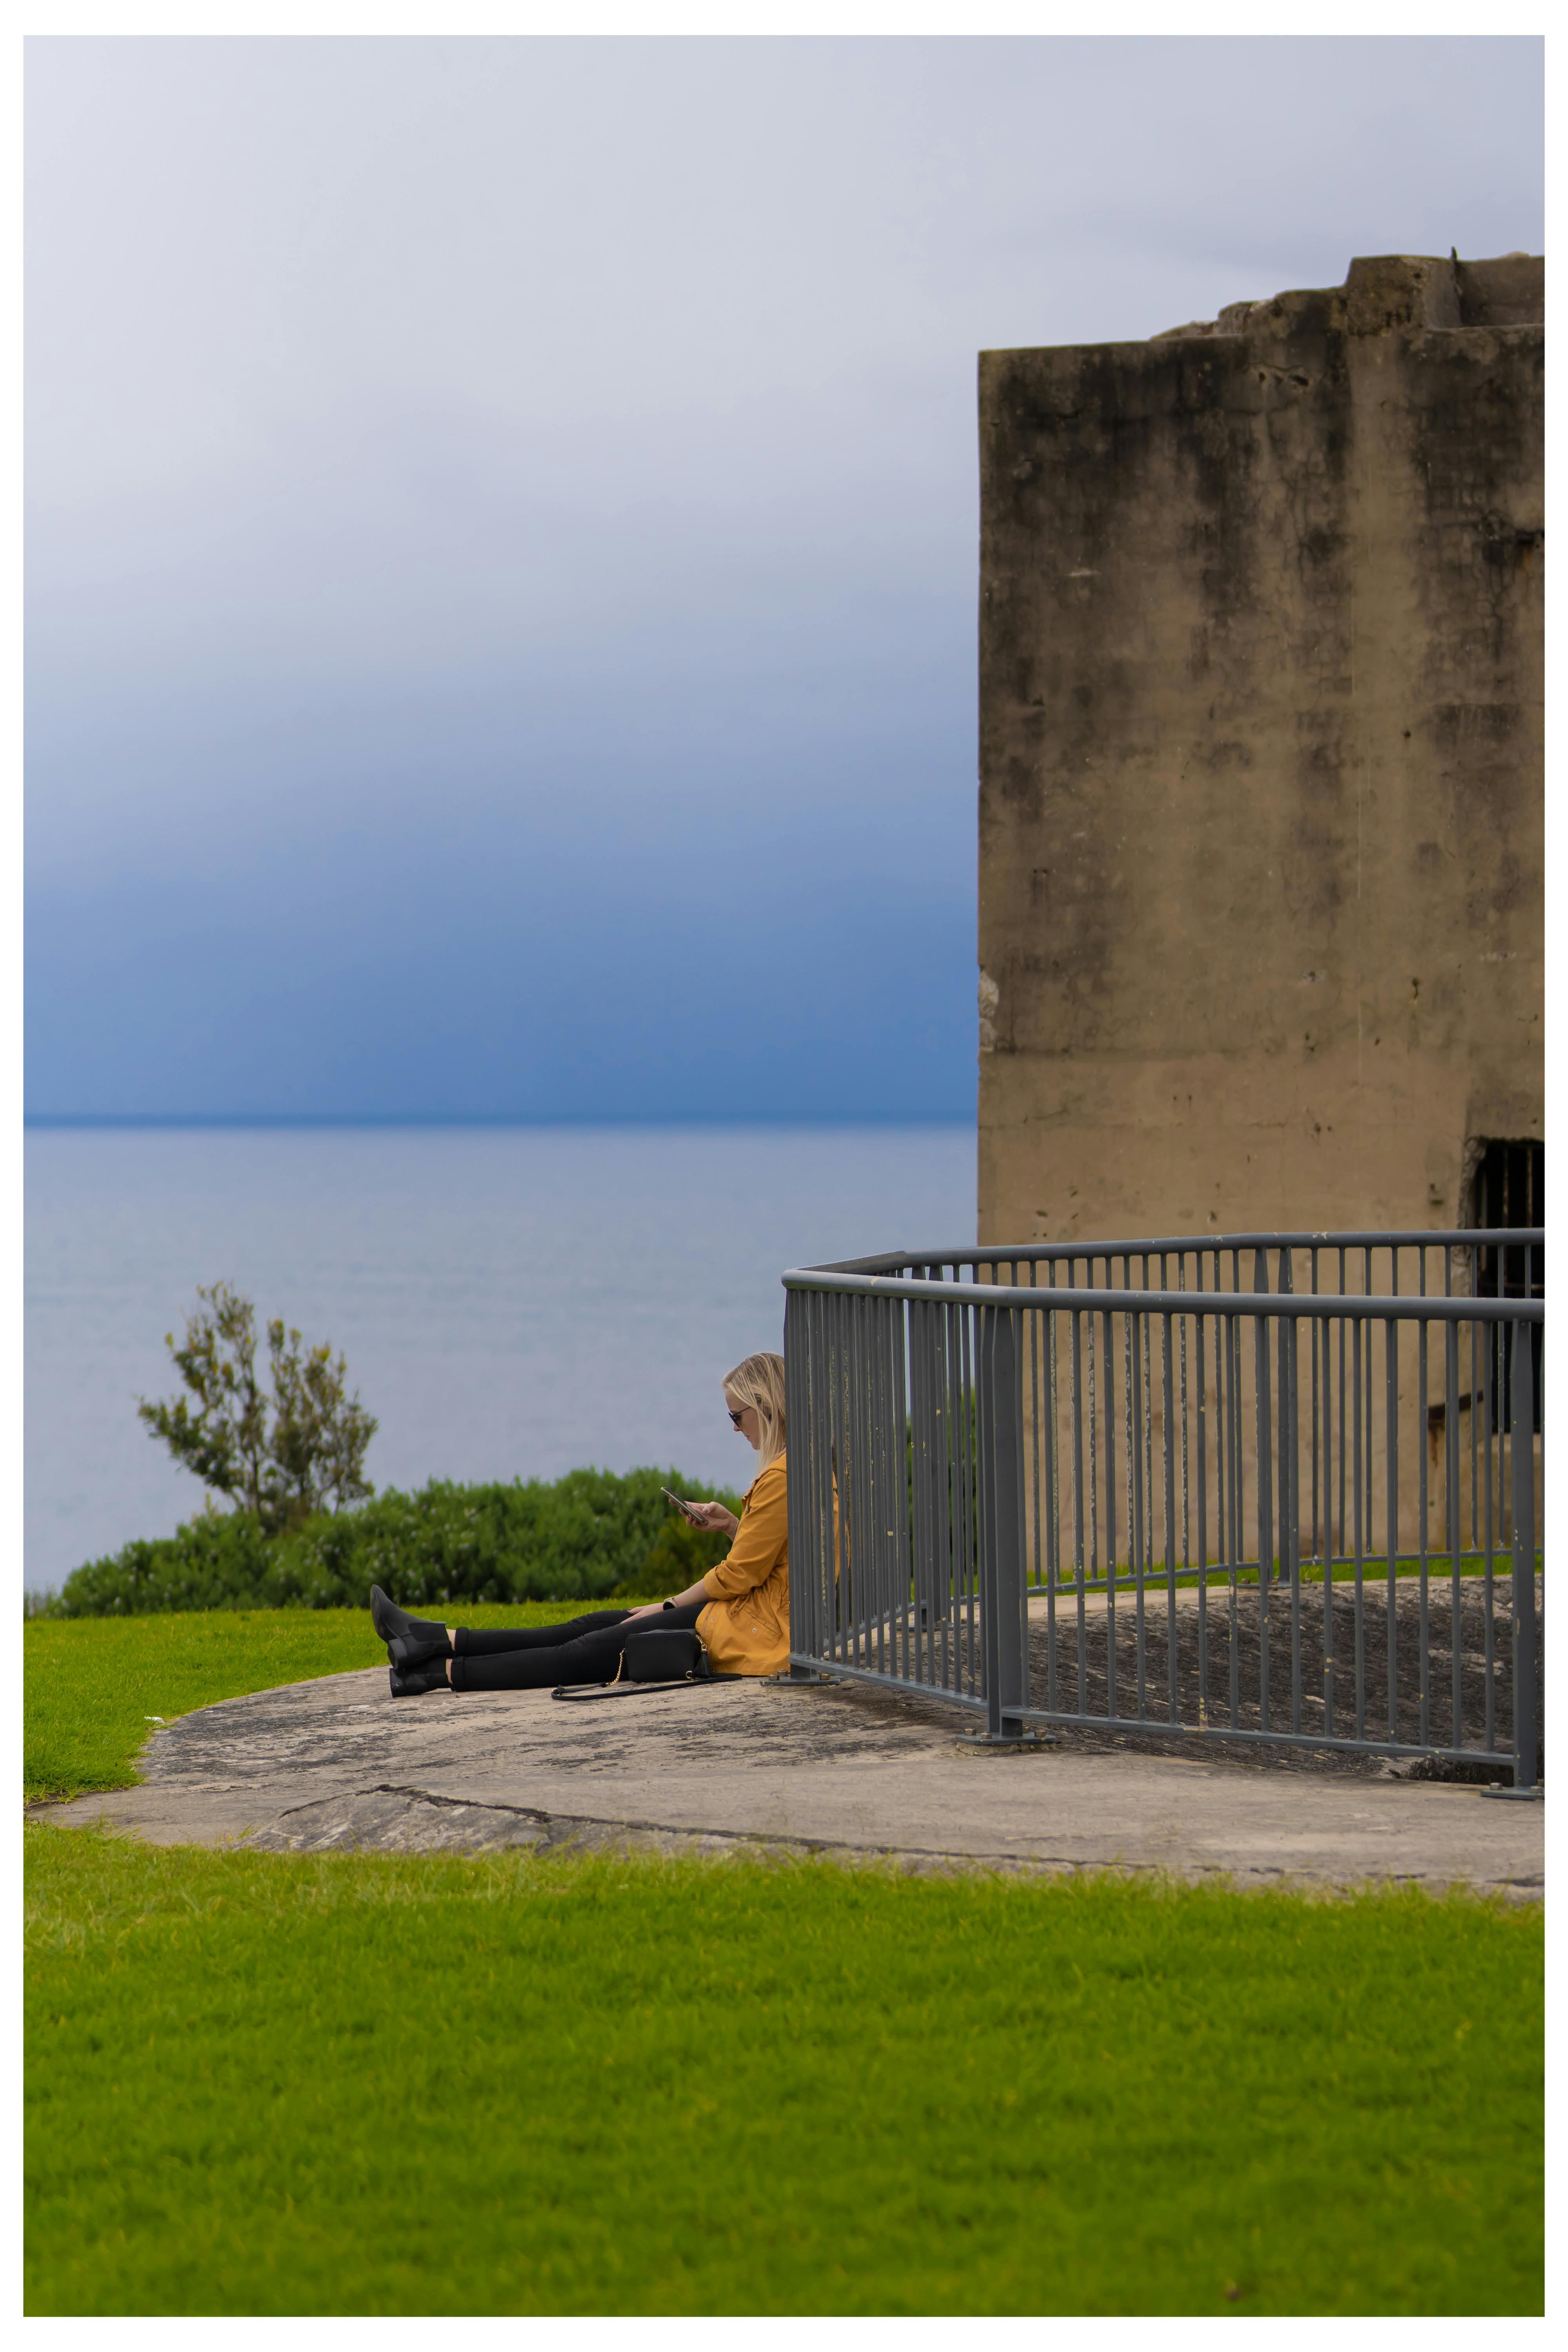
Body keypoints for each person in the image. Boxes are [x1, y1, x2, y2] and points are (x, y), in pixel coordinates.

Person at [372, 1352, 789, 1695]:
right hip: (747, 1616)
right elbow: (775, 1560)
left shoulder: (782, 1479)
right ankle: (433, 1640)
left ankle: (434, 1673)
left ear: (766, 1408)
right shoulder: (797, 1471)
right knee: (589, 1626)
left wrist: (667, 1605)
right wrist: (734, 1528)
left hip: (752, 1631)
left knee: (580, 1653)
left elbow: (739, 1574)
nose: (735, 1429)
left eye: (737, 1416)